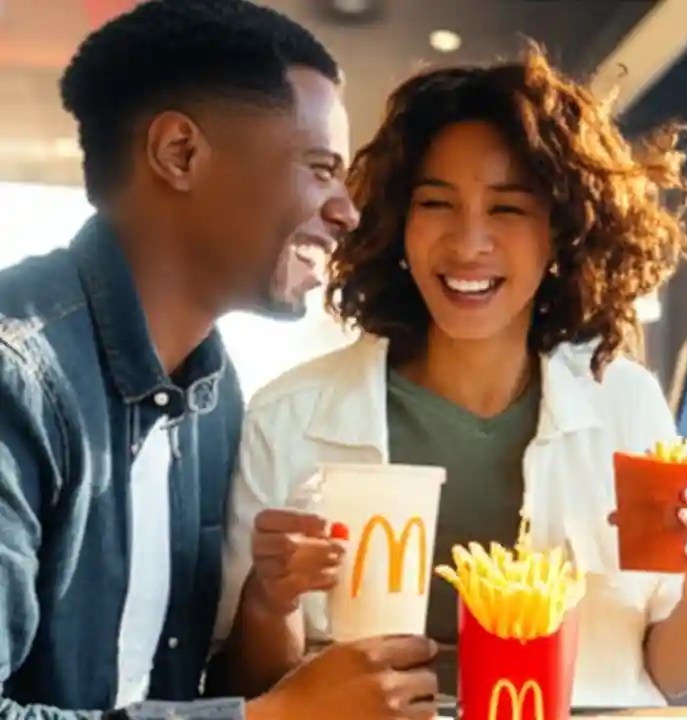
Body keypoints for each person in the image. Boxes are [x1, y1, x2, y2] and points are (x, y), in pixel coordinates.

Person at [217, 46, 687, 706]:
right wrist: (271, 604)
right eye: (437, 204)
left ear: (561, 232)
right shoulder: (288, 417)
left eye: (507, 209)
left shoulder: (626, 405)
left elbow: (667, 674)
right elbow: (248, 692)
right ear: (399, 224)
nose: (468, 244)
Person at [0, 1, 438, 718]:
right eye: (320, 168)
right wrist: (274, 717)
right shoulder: (16, 378)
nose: (347, 212)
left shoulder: (210, 390)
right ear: (180, 153)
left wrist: (269, 604)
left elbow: (169, 689)